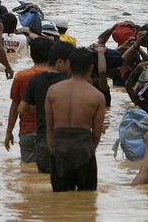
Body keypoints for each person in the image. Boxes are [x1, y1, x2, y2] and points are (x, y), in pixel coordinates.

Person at [44, 48, 106, 192]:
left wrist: (53, 151)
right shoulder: (97, 96)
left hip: (59, 149)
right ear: (91, 67)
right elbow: (97, 134)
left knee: (59, 202)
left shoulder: (53, 91)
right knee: (87, 204)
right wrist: (90, 151)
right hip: (84, 150)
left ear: (69, 65)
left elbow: (49, 127)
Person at [19, 41, 73, 173]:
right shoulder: (69, 81)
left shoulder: (35, 81)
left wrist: (38, 104)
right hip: (66, 143)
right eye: (70, 62)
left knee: (40, 183)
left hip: (43, 142)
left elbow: (21, 109)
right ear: (60, 62)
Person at [5, 37, 51, 163]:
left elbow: (15, 107)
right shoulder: (57, 76)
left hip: (27, 132)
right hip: (51, 134)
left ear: (31, 53)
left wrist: (8, 132)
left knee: (28, 175)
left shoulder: (21, 76)